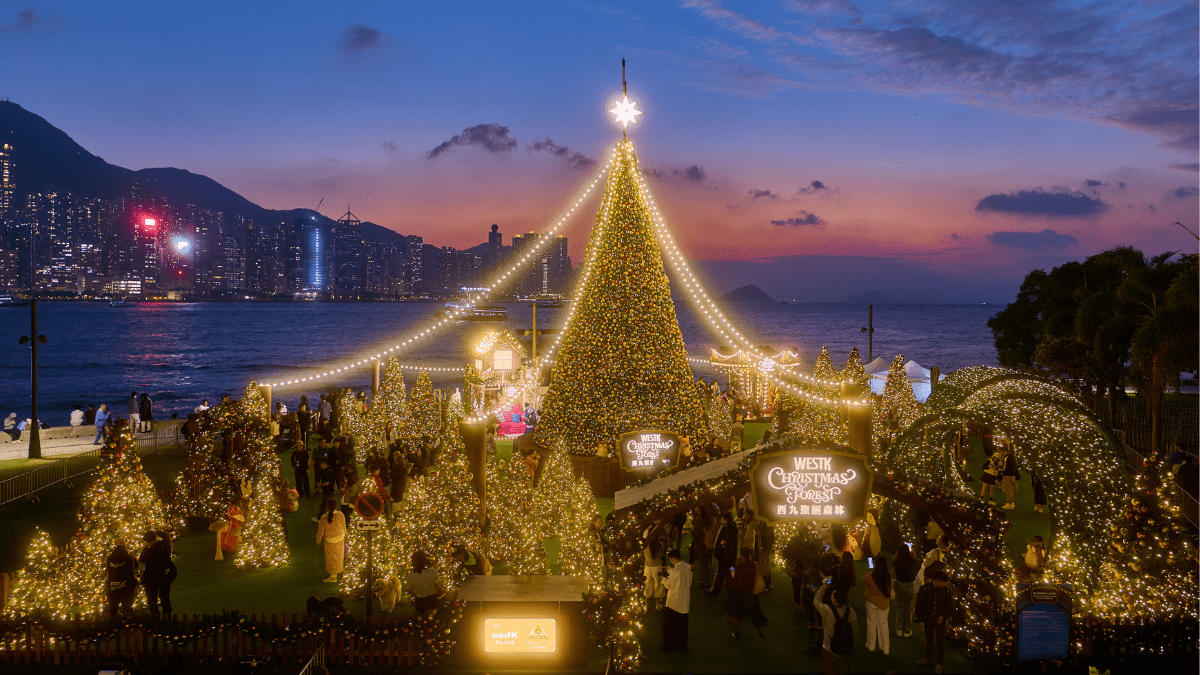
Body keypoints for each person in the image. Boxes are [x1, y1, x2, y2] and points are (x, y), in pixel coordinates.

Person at [915, 566, 953, 673]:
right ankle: (928, 659)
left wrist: (943, 616)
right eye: (943, 582)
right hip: (928, 620)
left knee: (941, 643)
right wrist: (921, 620)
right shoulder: (925, 588)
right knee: (929, 640)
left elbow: (950, 607)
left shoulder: (946, 591)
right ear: (937, 580)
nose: (945, 584)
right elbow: (919, 605)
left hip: (940, 623)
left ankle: (939, 664)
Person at [815, 584, 857, 675]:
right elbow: (854, 630)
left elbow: (816, 601)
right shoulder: (851, 611)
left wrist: (823, 587)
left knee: (828, 667)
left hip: (829, 647)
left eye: (832, 595)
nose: (831, 596)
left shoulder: (827, 610)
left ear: (834, 599)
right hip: (846, 646)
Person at [139, 530, 177, 617]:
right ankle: (167, 615)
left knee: (152, 599)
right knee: (165, 596)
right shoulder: (164, 545)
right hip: (164, 575)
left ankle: (155, 615)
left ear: (148, 541)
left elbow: (142, 559)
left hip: (151, 577)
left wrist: (145, 548)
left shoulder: (149, 552)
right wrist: (157, 532)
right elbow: (166, 536)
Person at [723, 547, 759, 639]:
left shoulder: (738, 567)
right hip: (751, 592)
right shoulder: (753, 565)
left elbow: (733, 575)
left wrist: (731, 567)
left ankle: (737, 632)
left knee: (734, 615)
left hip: (740, 593)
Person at [660, 548, 692, 652]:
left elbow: (668, 585)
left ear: (673, 558)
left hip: (674, 602)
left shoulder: (676, 571)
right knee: (683, 627)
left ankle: (668, 646)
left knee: (669, 626)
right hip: (684, 601)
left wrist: (663, 578)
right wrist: (669, 569)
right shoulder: (687, 568)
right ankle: (682, 647)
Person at [863, 555, 891, 655]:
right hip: (883, 604)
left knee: (871, 623)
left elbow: (864, 581)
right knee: (883, 625)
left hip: (871, 602)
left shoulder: (871, 576)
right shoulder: (888, 575)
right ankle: (885, 648)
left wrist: (867, 570)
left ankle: (871, 645)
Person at [892, 543, 920, 638]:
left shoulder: (896, 560)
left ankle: (899, 629)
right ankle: (907, 631)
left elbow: (894, 570)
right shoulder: (914, 561)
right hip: (910, 585)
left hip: (899, 583)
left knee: (900, 607)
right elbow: (917, 567)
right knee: (909, 609)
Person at [315, 498, 346, 582]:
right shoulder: (340, 514)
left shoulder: (324, 517)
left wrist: (318, 540)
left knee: (331, 558)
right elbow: (344, 526)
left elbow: (321, 530)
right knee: (339, 556)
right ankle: (339, 571)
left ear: (327, 506)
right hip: (340, 538)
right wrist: (345, 535)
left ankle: (333, 576)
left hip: (330, 540)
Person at [106, 539, 138, 618]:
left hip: (113, 586)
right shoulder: (129, 557)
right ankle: (127, 624)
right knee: (127, 609)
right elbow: (135, 567)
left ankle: (113, 625)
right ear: (125, 546)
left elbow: (108, 571)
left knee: (113, 608)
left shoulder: (109, 558)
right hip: (127, 587)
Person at [708, 512, 738, 595]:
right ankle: (732, 590)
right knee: (731, 571)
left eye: (722, 519)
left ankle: (715, 591)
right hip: (732, 553)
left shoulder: (723, 528)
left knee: (719, 573)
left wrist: (715, 550)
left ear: (725, 519)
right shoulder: (734, 527)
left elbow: (717, 541)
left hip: (723, 554)